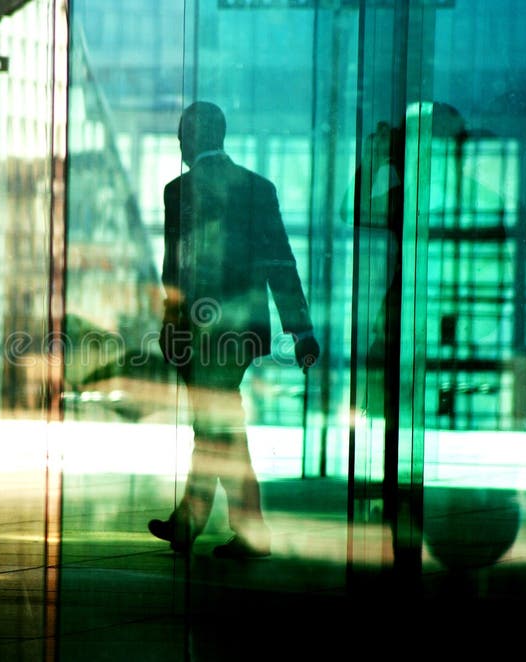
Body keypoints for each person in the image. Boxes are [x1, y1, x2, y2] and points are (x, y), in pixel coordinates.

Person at [147, 101, 320, 559]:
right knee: (216, 427)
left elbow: (174, 270)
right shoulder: (257, 189)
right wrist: (300, 329)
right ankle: (199, 522)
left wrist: (170, 325)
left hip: (198, 333)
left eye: (181, 134)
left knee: (218, 426)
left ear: (191, 138)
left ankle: (243, 528)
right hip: (240, 332)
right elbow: (281, 261)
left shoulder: (177, 191)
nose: (179, 143)